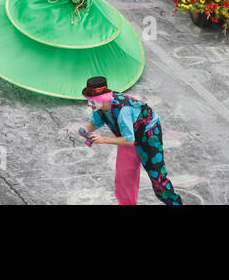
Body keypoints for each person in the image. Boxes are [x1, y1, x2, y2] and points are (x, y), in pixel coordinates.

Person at [78, 76, 181, 205]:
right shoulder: (99, 107)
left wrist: (103, 139)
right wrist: (85, 129)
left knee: (157, 179)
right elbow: (95, 122)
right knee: (123, 177)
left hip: (148, 134)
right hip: (127, 135)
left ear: (101, 99)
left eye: (92, 101)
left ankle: (175, 203)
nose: (89, 104)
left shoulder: (123, 110)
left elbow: (129, 140)